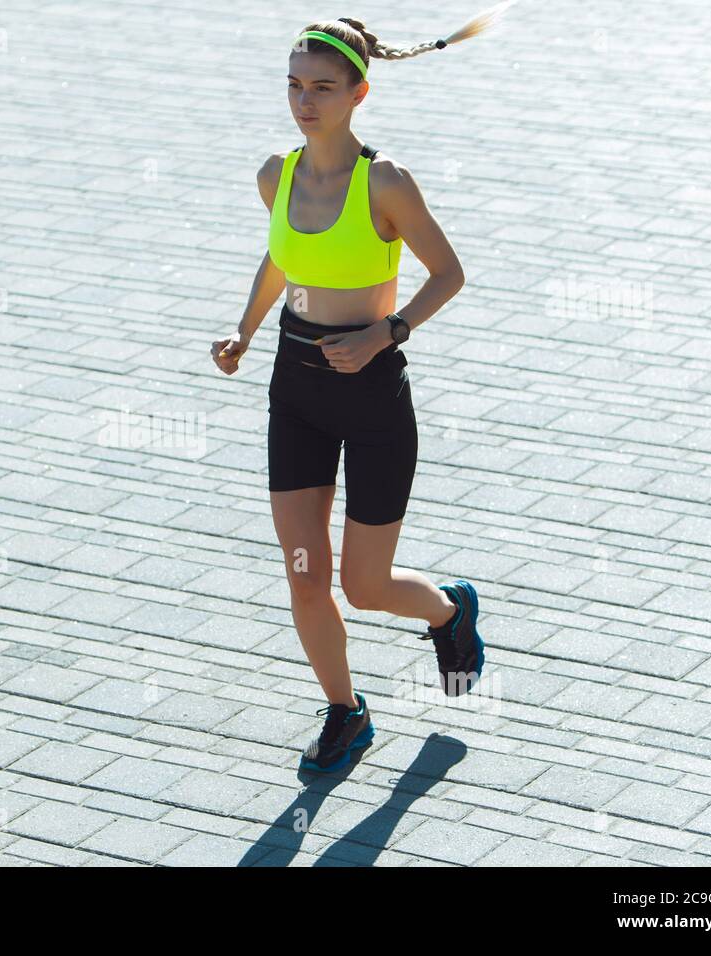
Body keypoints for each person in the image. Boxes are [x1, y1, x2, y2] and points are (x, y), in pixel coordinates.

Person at [209, 8, 515, 772]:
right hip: (296, 390)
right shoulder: (273, 174)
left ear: (358, 94)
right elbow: (281, 262)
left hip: (374, 394)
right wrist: (244, 333)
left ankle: (451, 611)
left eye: (321, 87)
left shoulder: (385, 181)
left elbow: (449, 273)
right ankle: (347, 712)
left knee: (367, 584)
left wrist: (389, 331)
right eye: (293, 85)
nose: (304, 101)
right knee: (307, 574)